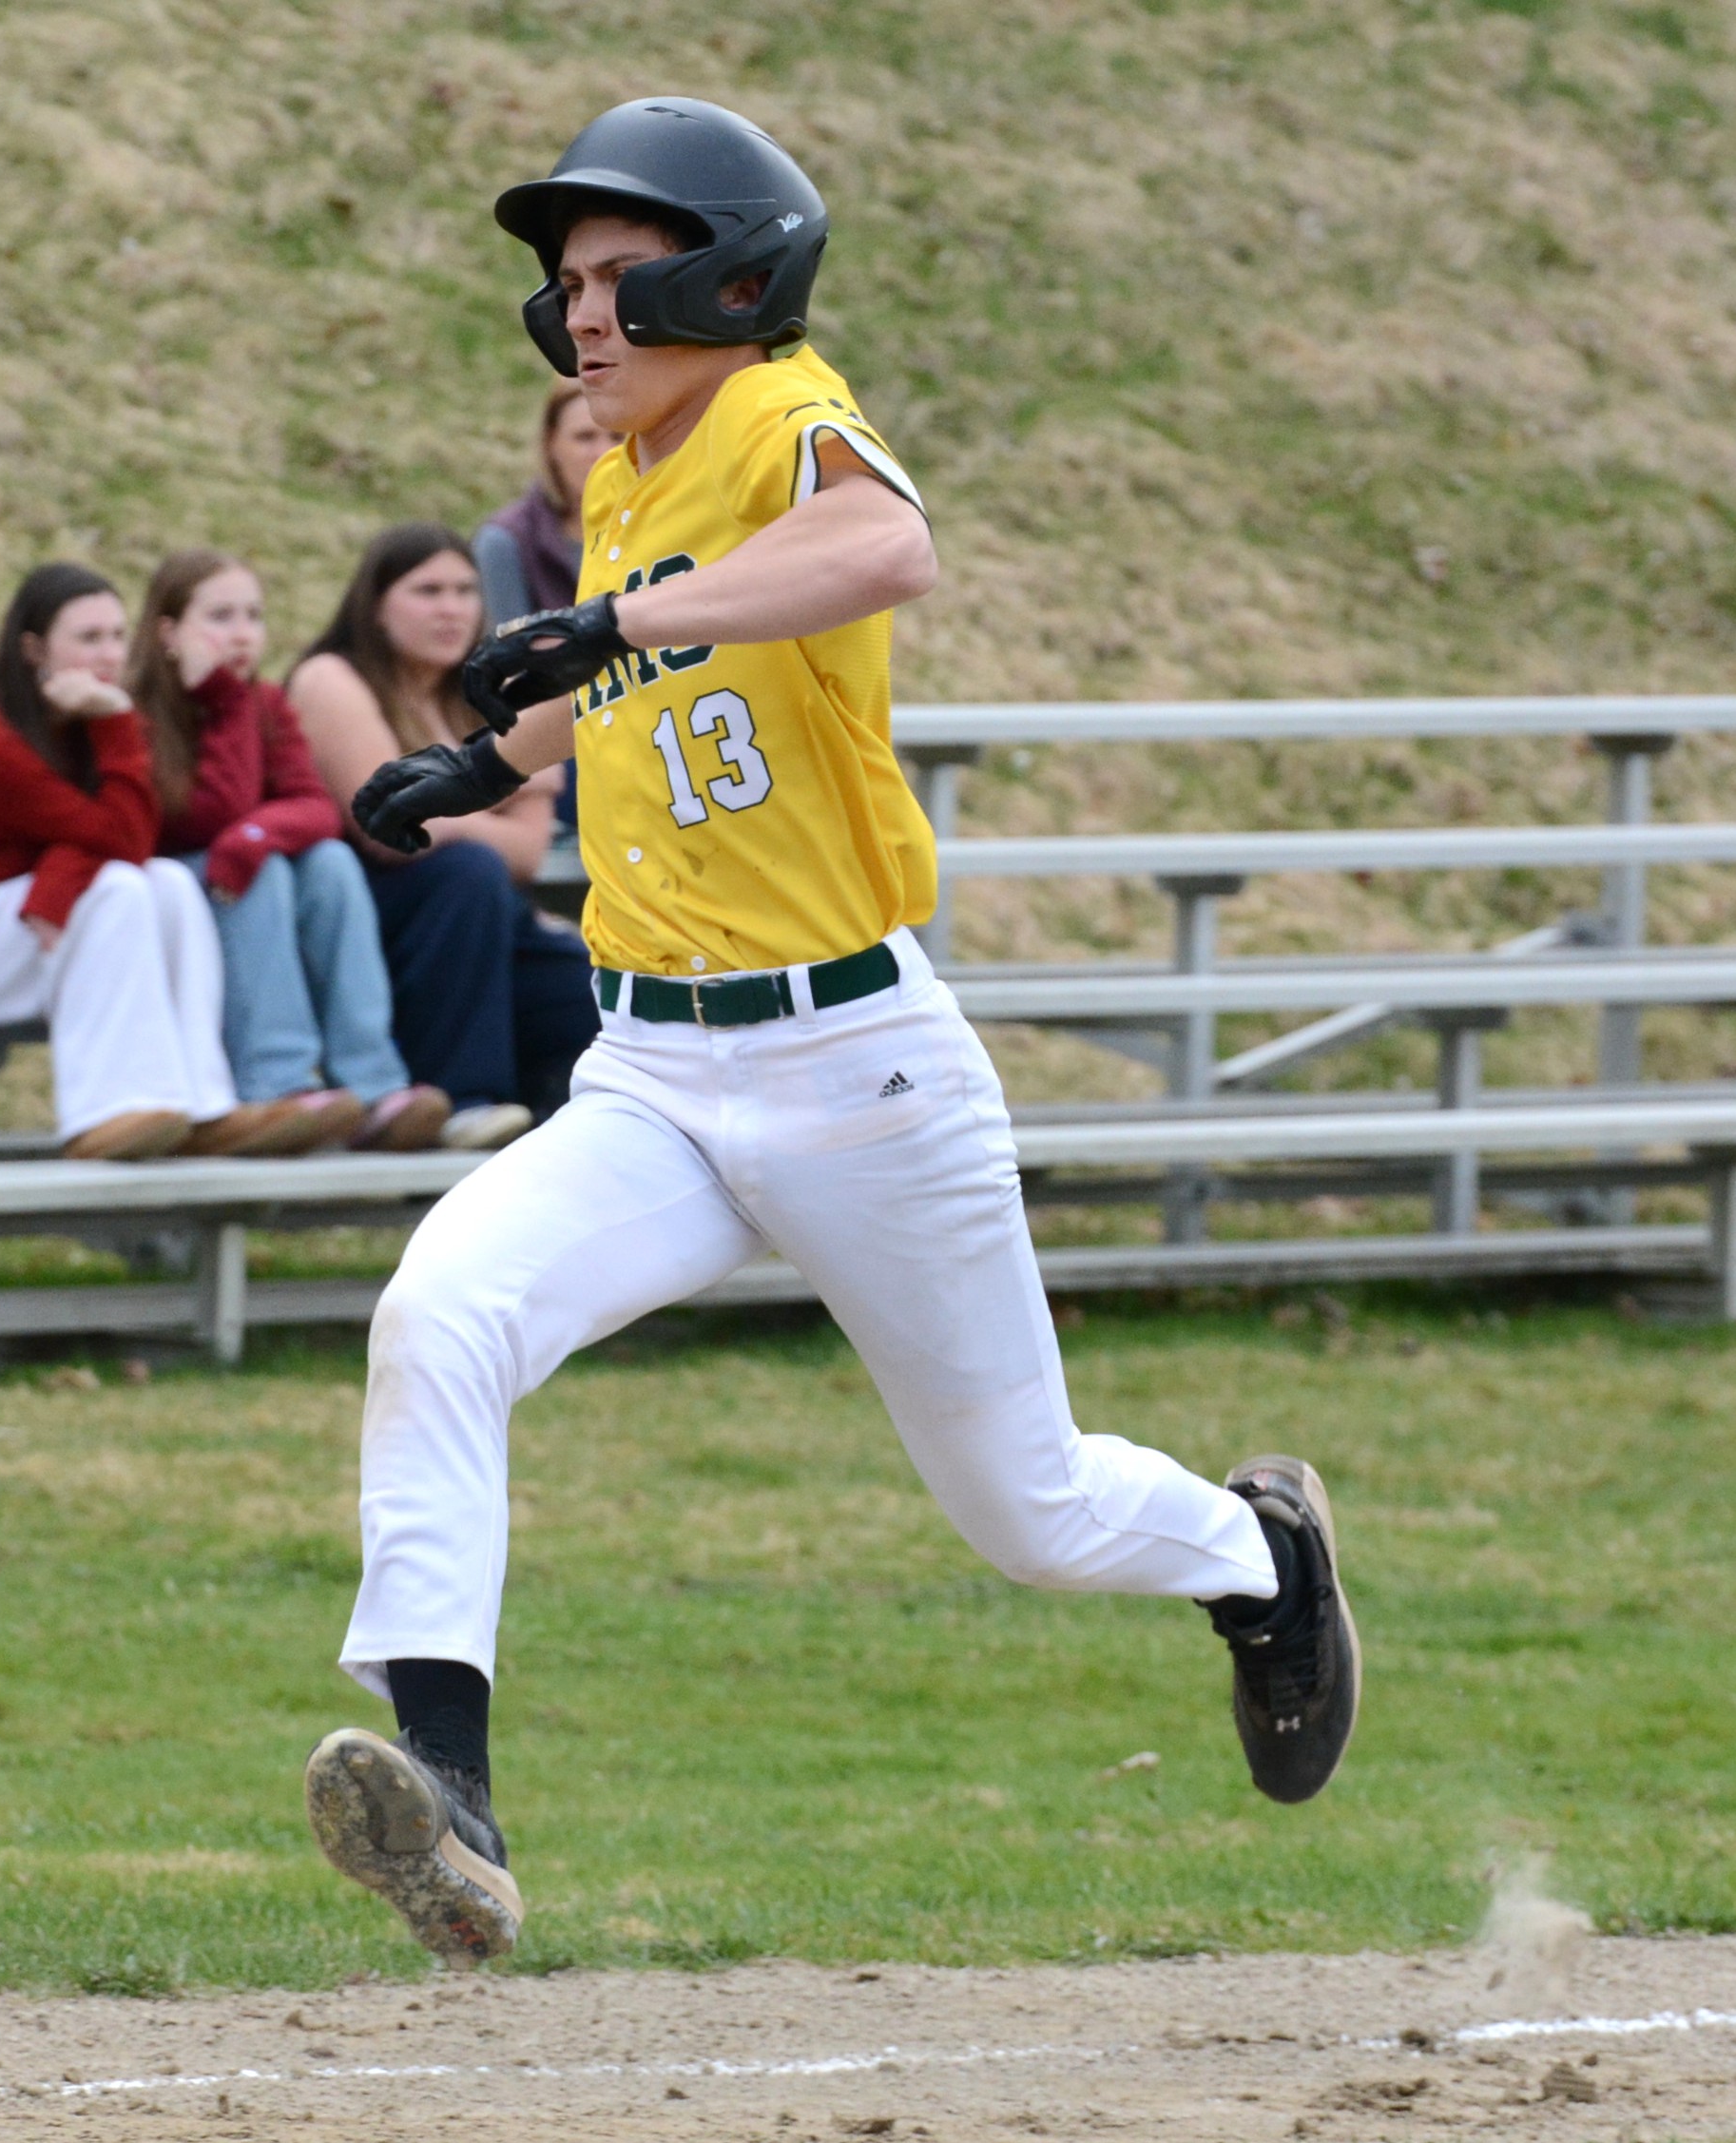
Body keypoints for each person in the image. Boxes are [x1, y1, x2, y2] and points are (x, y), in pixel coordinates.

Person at [303, 100, 1360, 1967]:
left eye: (621, 280)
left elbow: (884, 553)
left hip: (857, 1071)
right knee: (440, 1314)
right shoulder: (627, 477)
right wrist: (486, 755)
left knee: (1026, 1514)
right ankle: (449, 1791)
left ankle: (1261, 1558)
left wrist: (611, 616)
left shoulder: (786, 414)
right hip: (654, 1072)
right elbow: (633, 678)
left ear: (734, 270)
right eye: (568, 292)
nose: (585, 322)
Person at [0, 563, 310, 1161]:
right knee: (120, 886)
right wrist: (115, 727)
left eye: (118, 636)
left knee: (171, 882)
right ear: (34, 649)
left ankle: (205, 1104)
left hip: (26, 925)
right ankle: (102, 1111)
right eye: (88, 638)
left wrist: (57, 882)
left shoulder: (93, 720)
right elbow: (117, 837)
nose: (109, 654)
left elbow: (127, 838)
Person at [286, 525, 600, 1146]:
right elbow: (388, 828)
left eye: (463, 590)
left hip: (478, 917)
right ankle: (458, 1099)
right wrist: (506, 793)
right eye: (427, 590)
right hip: (367, 920)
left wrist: (466, 812)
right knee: (467, 875)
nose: (451, 607)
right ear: (375, 605)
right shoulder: (331, 678)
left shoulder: (485, 690)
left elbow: (530, 851)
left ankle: (563, 1144)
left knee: (581, 993)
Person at [129, 550, 450, 1151]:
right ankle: (276, 1081)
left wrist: (253, 837)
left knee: (328, 863)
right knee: (268, 868)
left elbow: (316, 807)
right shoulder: (139, 716)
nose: (242, 633)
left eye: (253, 615)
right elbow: (202, 815)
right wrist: (222, 706)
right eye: (220, 617)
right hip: (170, 896)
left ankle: (375, 1084)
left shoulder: (264, 705)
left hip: (239, 876)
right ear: (168, 633)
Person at [472, 379, 615, 834]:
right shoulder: (507, 542)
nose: (601, 452)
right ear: (551, 446)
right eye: (584, 437)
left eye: (615, 437)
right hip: (561, 731)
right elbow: (516, 673)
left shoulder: (658, 530)